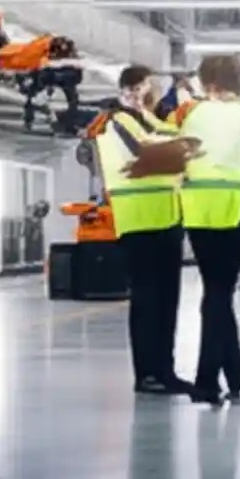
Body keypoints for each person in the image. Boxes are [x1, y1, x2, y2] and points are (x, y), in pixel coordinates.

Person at [95, 65, 192, 396]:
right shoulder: (116, 120)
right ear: (124, 90)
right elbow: (146, 150)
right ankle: (147, 374)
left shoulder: (148, 119)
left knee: (167, 302)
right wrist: (182, 146)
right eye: (134, 89)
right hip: (138, 221)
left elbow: (172, 133)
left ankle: (166, 371)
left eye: (144, 89)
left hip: (167, 217)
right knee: (147, 301)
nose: (139, 95)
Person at [177, 55, 240, 405]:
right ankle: (207, 381)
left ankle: (234, 373)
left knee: (214, 293)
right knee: (220, 295)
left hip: (197, 211)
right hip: (232, 209)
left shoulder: (193, 115)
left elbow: (182, 161)